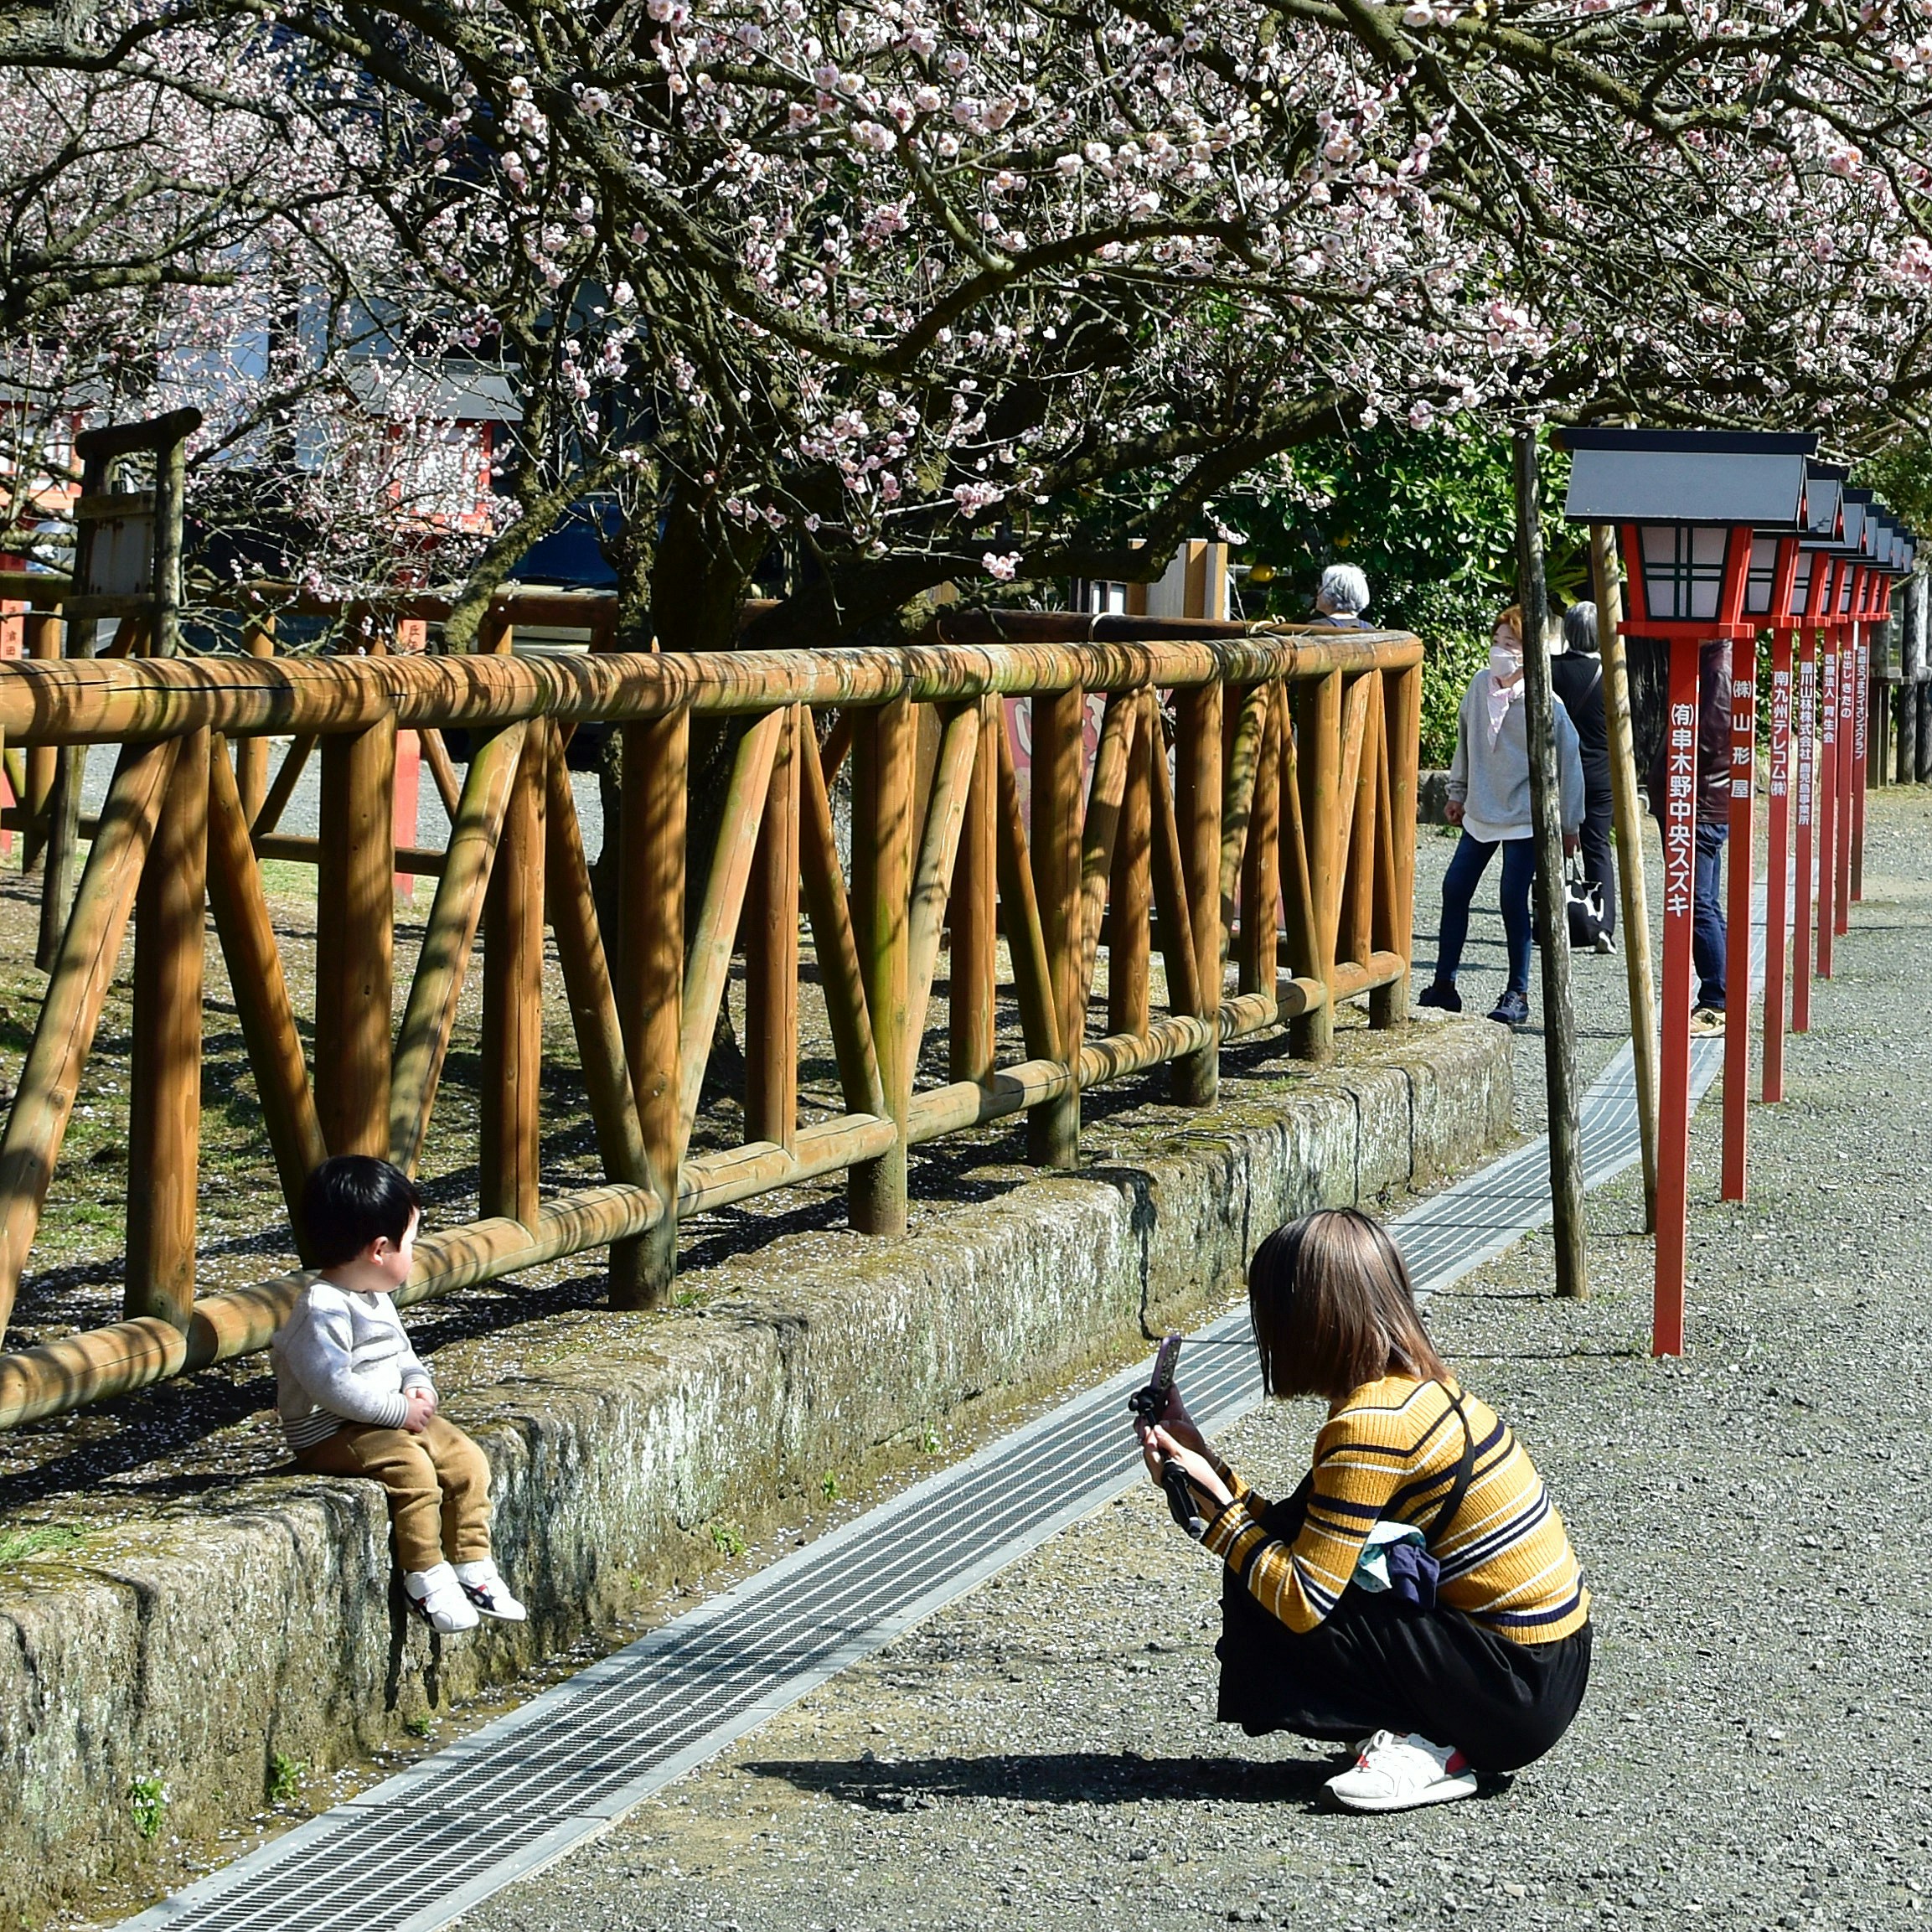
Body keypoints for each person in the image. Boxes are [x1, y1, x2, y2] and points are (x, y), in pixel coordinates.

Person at [1134, 1210, 1592, 1814]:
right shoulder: (1412, 1392)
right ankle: (1426, 1728)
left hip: (1511, 1693)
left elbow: (1302, 1598)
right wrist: (1202, 1461)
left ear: (1307, 1319)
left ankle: (1428, 1748)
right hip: (1543, 1664)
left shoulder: (1369, 1426)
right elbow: (1307, 1533)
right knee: (1264, 1554)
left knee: (1261, 1586)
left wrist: (1213, 1523)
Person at [273, 1155, 527, 1633]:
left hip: (391, 1416)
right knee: (413, 1473)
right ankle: (426, 1575)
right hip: (333, 1431)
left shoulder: (375, 1295)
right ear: (379, 1249)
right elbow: (333, 1385)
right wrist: (399, 1410)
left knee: (465, 1457)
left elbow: (404, 1355)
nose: (414, 1252)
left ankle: (473, 1563)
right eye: (410, 1242)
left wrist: (417, 1386)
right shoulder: (321, 1309)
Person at [1417, 606, 1584, 1029]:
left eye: (1509, 644)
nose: (1499, 651)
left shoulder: (1546, 700)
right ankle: (1444, 984)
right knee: (1454, 887)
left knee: (1513, 898)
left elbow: (1570, 760)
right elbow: (1466, 739)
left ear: (1529, 652)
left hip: (1527, 815)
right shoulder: (1478, 687)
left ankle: (1518, 991)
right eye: (1496, 642)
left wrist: (1569, 825)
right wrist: (1458, 791)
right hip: (1482, 809)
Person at [1645, 638, 1731, 1036]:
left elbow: (1710, 739)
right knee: (1704, 900)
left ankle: (1716, 999)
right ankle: (1722, 988)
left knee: (1695, 900)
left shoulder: (1716, 668)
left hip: (1697, 801)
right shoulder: (1707, 661)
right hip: (1696, 799)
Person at [1550, 601, 1617, 954]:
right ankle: (1603, 926)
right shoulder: (1611, 676)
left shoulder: (1549, 670)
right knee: (1598, 848)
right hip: (1600, 776)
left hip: (1558, 773)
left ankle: (1555, 921)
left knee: (1552, 847)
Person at [1311, 562, 1372, 628]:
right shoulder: (1370, 628)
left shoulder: (1318, 626)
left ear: (1332, 591)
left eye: (1321, 585)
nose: (1318, 589)